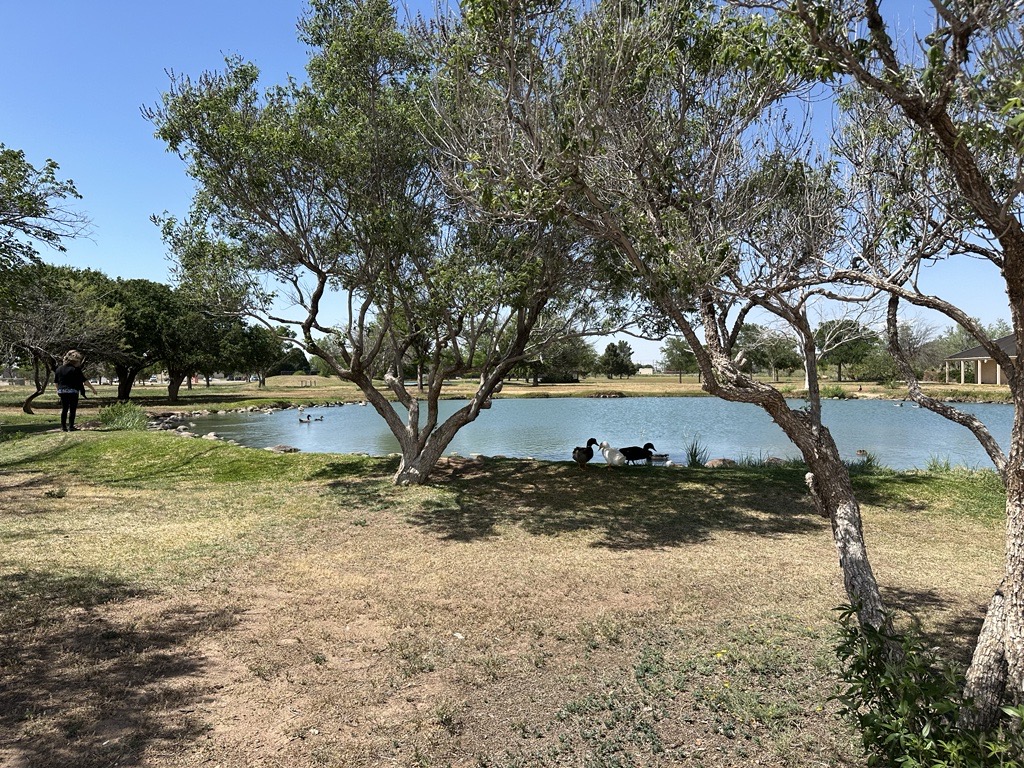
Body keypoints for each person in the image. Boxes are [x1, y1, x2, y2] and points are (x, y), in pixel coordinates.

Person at [54, 349, 97, 432]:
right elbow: (85, 381)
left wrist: (58, 390)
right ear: (75, 361)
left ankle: (63, 427)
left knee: (64, 409)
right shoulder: (75, 370)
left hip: (62, 391)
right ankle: (71, 427)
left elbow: (56, 382)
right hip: (73, 391)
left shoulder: (58, 369)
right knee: (72, 409)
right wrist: (93, 389)